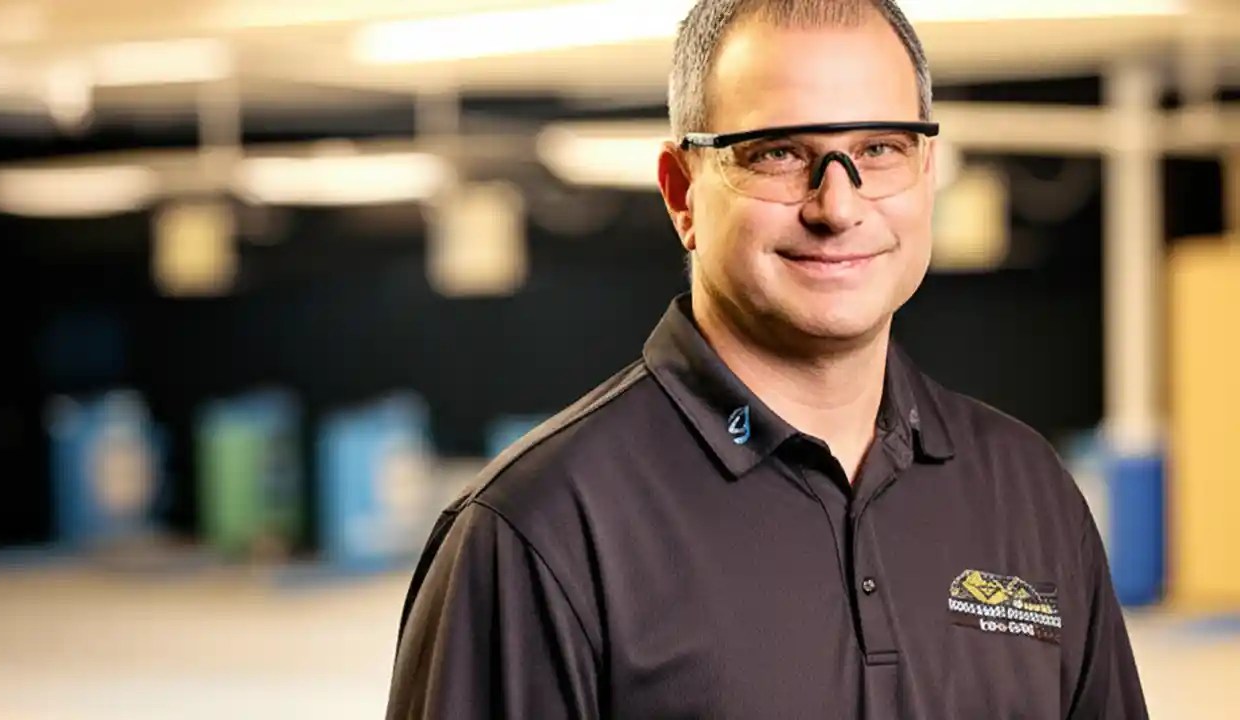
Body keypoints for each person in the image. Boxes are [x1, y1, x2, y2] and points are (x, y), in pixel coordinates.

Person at [384, 0, 1149, 717]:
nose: (837, 206)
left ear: (926, 170)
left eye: (879, 148)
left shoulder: (1028, 492)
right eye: (780, 153)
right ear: (682, 192)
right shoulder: (537, 533)